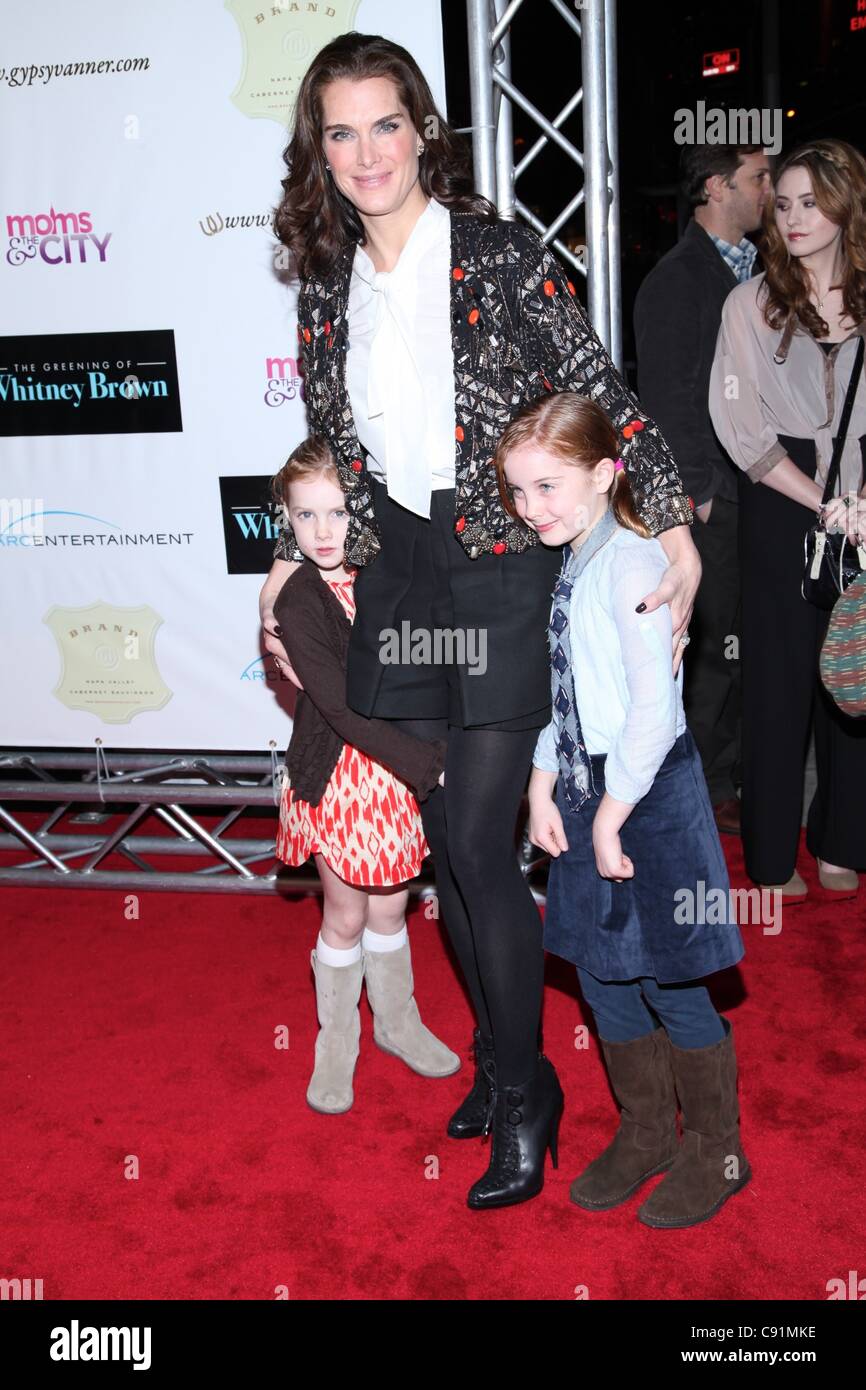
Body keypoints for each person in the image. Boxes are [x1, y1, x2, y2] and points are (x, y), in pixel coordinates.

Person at [259, 32, 701, 1210]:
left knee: (470, 848)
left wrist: (669, 523)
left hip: (500, 567)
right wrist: (284, 562)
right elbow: (337, 459)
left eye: (384, 124)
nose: (366, 153)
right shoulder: (324, 284)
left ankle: (523, 1097)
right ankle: (514, 1062)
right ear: (321, 150)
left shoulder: (497, 254)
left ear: (422, 129)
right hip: (402, 575)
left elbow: (599, 391)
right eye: (340, 132)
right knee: (448, 844)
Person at [496, 391, 749, 1229]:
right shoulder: (572, 559)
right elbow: (568, 697)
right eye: (520, 492)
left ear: (606, 475)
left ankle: (717, 1148)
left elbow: (653, 709)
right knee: (604, 979)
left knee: (673, 981)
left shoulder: (637, 564)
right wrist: (541, 783)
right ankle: (646, 1133)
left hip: (649, 798)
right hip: (583, 782)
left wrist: (609, 815)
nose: (532, 510)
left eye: (549, 488)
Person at [271, 436, 459, 1114]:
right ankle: (337, 1040)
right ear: (286, 523)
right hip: (344, 776)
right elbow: (344, 711)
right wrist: (433, 766)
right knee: (346, 915)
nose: (324, 532)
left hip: (395, 775)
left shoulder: (385, 572)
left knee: (391, 905)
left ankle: (399, 1022)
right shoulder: (295, 603)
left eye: (339, 513)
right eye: (305, 517)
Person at [709, 138, 866, 900]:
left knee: (854, 677)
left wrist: (861, 506)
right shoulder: (751, 303)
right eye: (786, 202)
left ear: (846, 205)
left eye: (812, 202)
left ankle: (843, 842)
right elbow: (742, 431)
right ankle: (771, 856)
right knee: (777, 683)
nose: (796, 217)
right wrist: (825, 505)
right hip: (782, 506)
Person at [634, 144, 771, 836]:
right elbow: (664, 395)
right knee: (714, 651)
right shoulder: (677, 279)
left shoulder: (758, 270)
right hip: (713, 500)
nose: (769, 189)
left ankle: (733, 781)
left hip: (763, 491)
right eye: (759, 177)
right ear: (717, 187)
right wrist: (698, 492)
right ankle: (701, 792)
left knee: (745, 643)